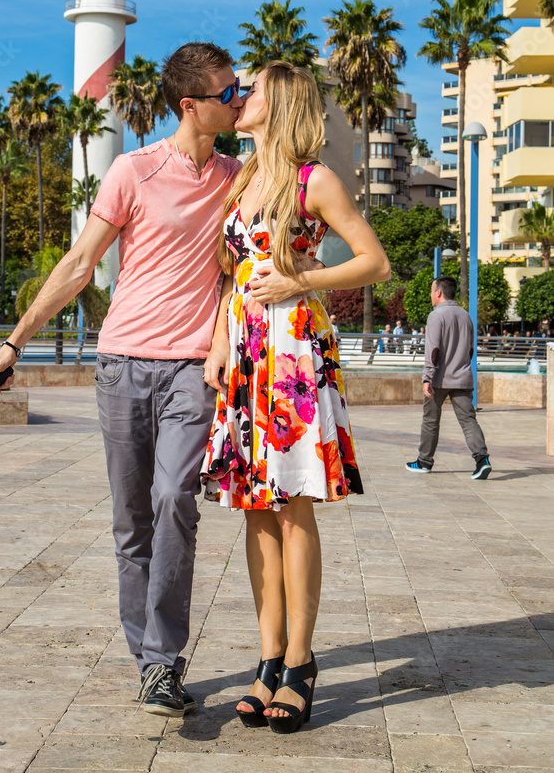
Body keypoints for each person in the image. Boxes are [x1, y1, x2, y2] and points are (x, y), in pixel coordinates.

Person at [0, 42, 252, 718]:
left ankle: (162, 660)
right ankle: (146, 656)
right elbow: (77, 264)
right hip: (122, 363)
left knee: (174, 500)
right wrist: (15, 342)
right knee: (131, 522)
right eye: (227, 92)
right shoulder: (133, 170)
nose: (237, 99)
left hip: (191, 366)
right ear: (190, 106)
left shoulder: (236, 176)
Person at [200, 61, 390, 734]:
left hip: (296, 357)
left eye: (248, 90)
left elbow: (374, 261)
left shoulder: (315, 180)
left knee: (292, 509)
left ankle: (301, 663)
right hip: (247, 355)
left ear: (278, 103)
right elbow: (232, 279)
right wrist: (219, 346)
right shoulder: (241, 178)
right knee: (253, 510)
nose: (238, 98)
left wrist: (304, 283)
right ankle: (267, 659)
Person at [406, 275, 491, 480]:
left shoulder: (436, 316)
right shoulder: (465, 315)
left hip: (439, 379)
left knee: (431, 421)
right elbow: (470, 350)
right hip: (462, 377)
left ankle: (424, 462)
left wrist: (427, 378)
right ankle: (482, 460)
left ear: (438, 292)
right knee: (468, 420)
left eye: (431, 291)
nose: (430, 295)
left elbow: (433, 350)